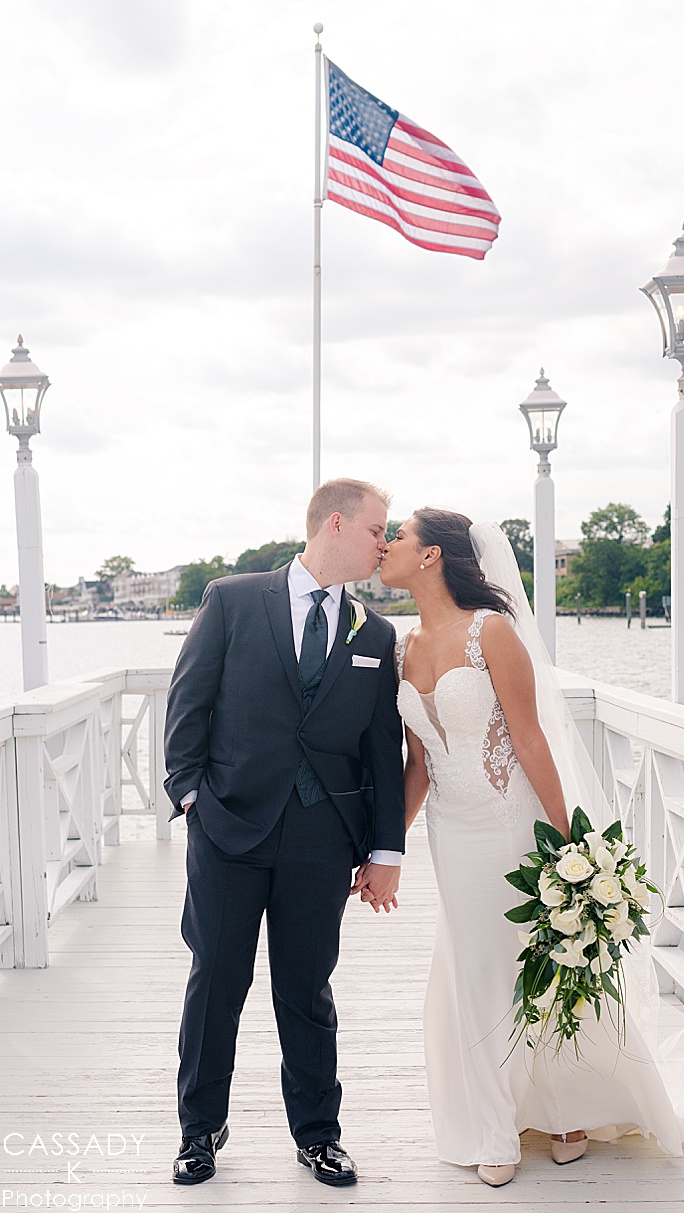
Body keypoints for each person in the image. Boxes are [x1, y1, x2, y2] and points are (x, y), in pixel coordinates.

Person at [379, 509, 684, 1188]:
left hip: (514, 824)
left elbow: (531, 740)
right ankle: (493, 1125)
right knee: (477, 973)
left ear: (431, 556)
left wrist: (575, 849)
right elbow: (417, 765)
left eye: (399, 535)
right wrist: (382, 848)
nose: (385, 544)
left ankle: (569, 1108)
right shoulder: (403, 645)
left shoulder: (491, 631)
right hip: (453, 831)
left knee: (543, 966)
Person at [164, 478, 406, 1188]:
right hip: (227, 829)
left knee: (306, 989)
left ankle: (318, 1134)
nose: (383, 545)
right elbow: (188, 704)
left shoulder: (376, 631)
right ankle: (198, 1129)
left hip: (319, 840)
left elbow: (380, 752)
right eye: (376, 531)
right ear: (336, 524)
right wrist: (189, 801)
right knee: (216, 981)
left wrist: (384, 849)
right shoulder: (233, 599)